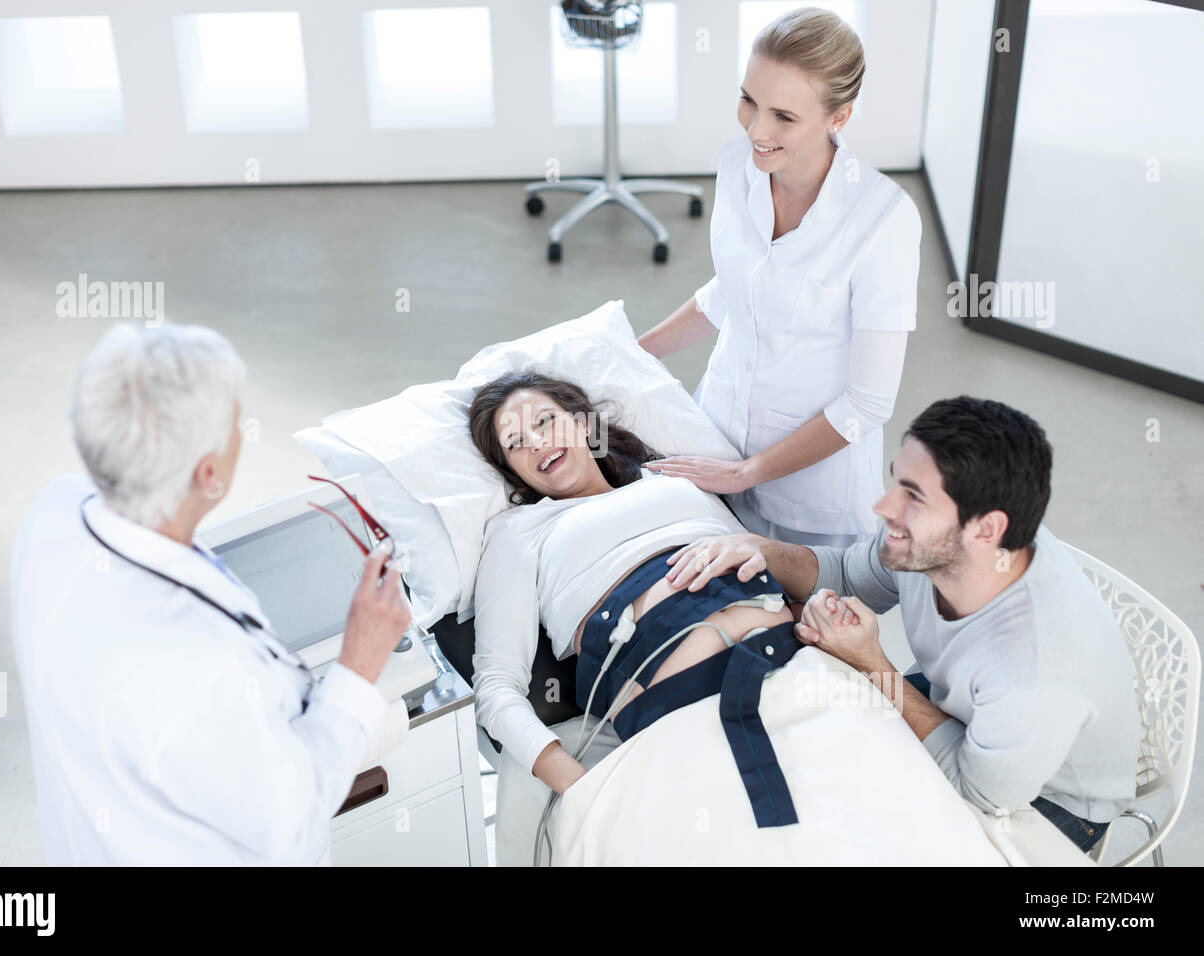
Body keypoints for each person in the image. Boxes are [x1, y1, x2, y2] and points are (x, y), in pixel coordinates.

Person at [10, 322, 411, 865]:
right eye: (234, 420)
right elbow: (289, 826)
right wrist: (359, 670)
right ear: (207, 471)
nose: (242, 428)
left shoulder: (52, 515)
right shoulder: (198, 660)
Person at [665, 396, 1139, 853]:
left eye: (914, 498)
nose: (884, 507)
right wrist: (764, 550)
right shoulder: (941, 547)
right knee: (802, 746)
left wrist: (872, 663)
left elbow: (977, 791)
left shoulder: (1037, 667)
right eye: (898, 482)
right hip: (960, 711)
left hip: (1044, 804)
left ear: (986, 529)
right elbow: (854, 575)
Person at [638, 8, 920, 548]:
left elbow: (868, 403)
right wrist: (633, 353)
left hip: (811, 494)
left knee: (800, 625)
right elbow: (732, 291)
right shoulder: (736, 164)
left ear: (839, 117)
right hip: (715, 441)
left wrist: (749, 472)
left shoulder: (884, 219)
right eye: (749, 100)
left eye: (784, 117)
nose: (757, 130)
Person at [466, 372, 796, 798]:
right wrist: (579, 787)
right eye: (515, 443)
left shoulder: (672, 481)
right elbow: (495, 686)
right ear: (512, 470)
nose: (536, 442)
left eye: (545, 421)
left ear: (584, 424)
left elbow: (764, 562)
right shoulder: (520, 531)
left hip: (791, 658)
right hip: (683, 705)